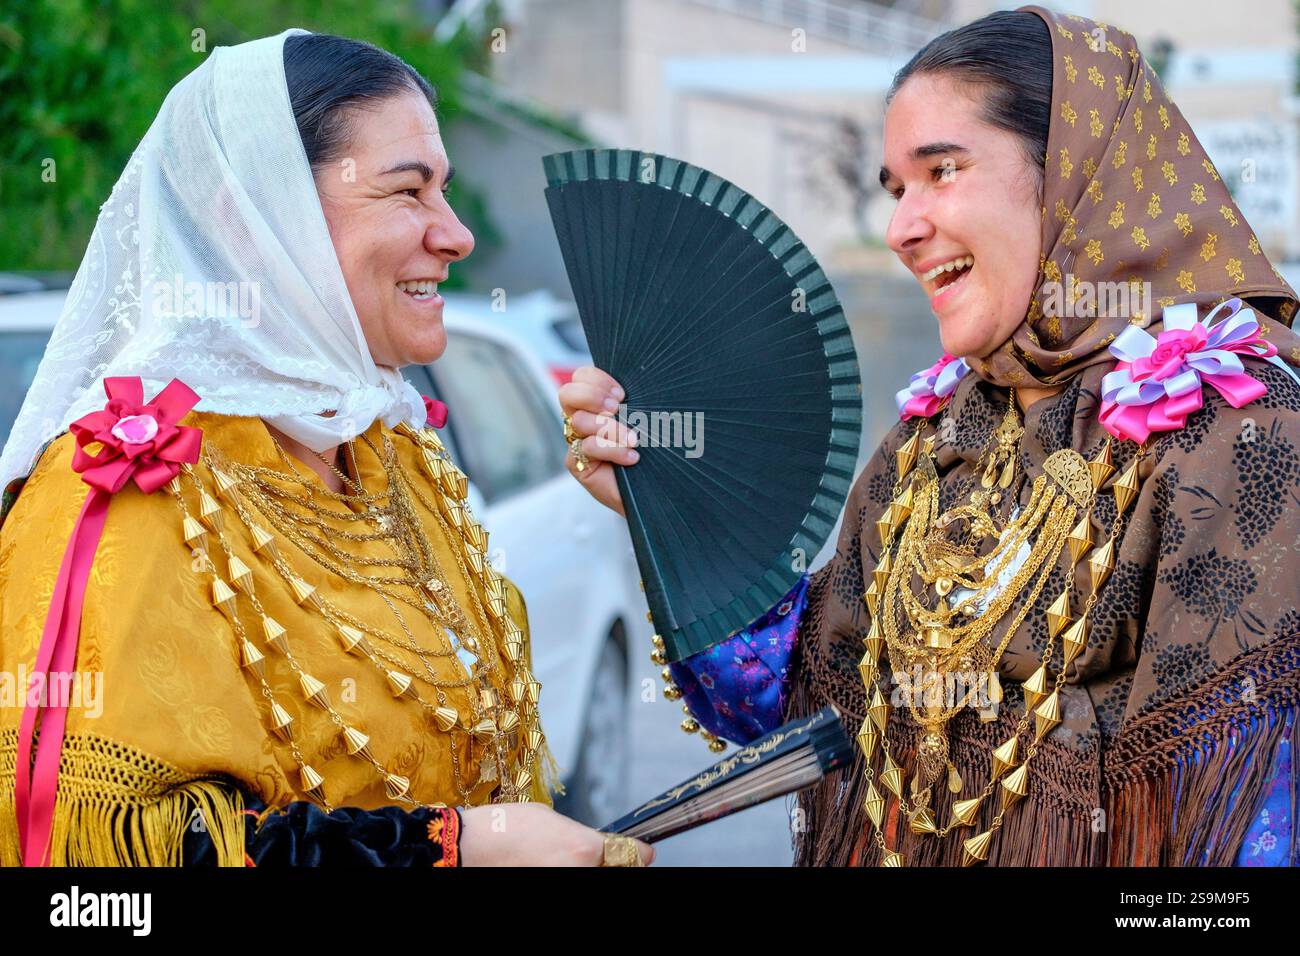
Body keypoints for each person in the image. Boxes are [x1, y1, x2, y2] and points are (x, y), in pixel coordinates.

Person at [560, 5, 1300, 866]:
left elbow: (1250, 837)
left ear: (1075, 174)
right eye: (895, 188)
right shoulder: (935, 438)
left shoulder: (1245, 437)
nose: (902, 227)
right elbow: (815, 709)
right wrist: (667, 509)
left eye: (941, 171)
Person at [0, 29, 652, 867]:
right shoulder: (124, 489)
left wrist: (662, 508)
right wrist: (457, 848)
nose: (456, 236)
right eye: (408, 192)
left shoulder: (394, 461)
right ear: (257, 222)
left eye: (445, 191)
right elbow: (86, 872)